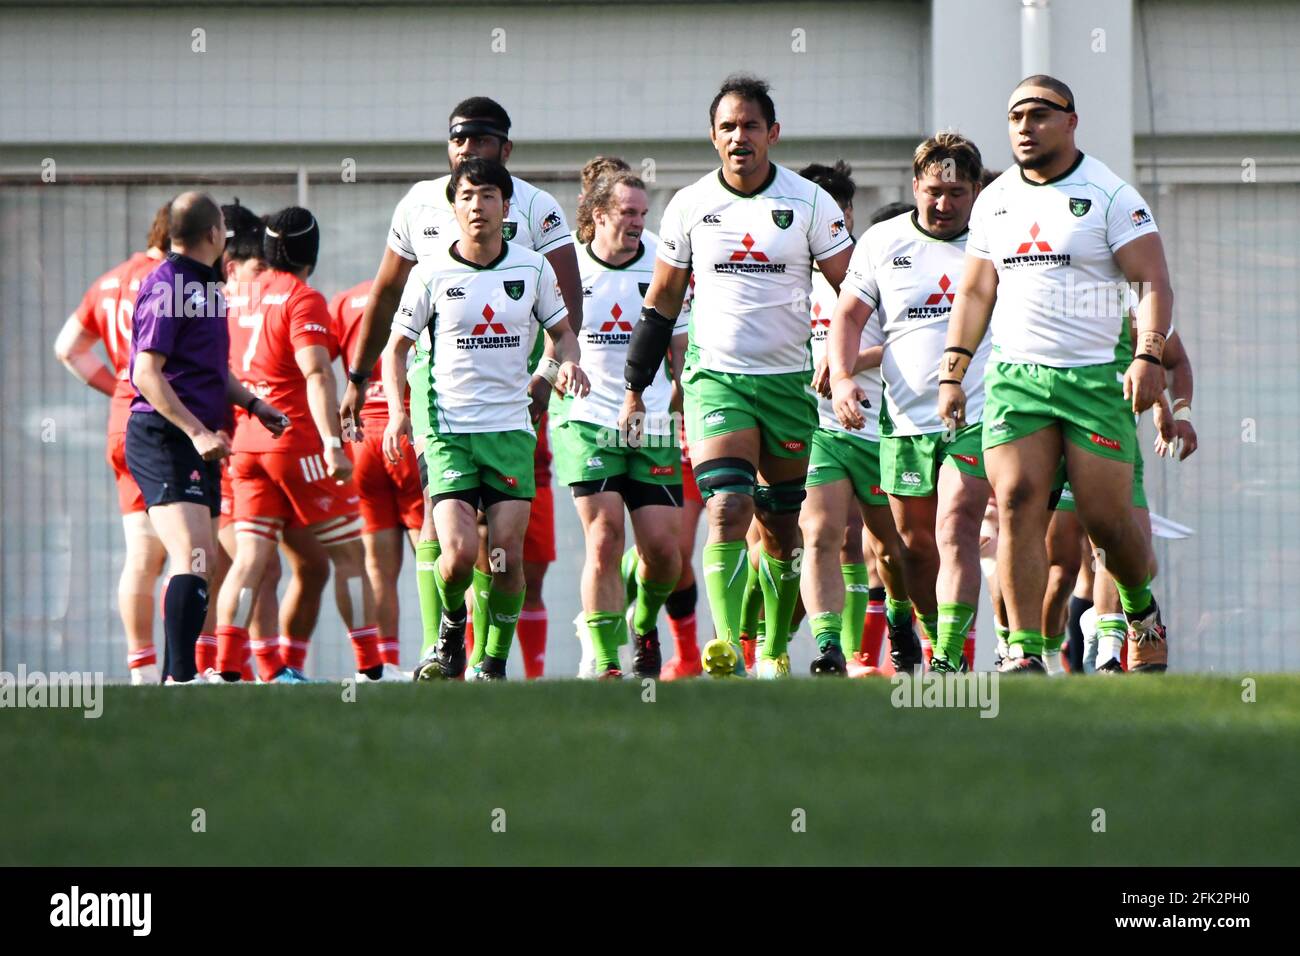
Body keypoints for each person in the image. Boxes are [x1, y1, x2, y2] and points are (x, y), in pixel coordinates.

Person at [337, 96, 582, 680]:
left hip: (513, 392)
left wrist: (551, 376)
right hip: (437, 389)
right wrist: (358, 377)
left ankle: (489, 659)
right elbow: (387, 296)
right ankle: (439, 645)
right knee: (450, 540)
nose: (467, 151)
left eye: (480, 140)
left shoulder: (537, 211)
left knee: (504, 550)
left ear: (506, 149)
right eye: (458, 140)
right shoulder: (421, 203)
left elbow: (567, 311)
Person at [619, 74, 855, 679]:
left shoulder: (809, 203)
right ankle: (727, 645)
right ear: (713, 136)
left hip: (788, 385)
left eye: (751, 125)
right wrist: (634, 388)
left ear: (772, 133)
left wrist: (840, 355)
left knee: (780, 528)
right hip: (715, 380)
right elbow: (662, 301)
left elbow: (852, 292)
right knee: (728, 507)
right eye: (728, 126)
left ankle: (773, 649)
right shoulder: (691, 205)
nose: (740, 136)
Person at [939, 75, 1174, 673]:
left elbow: (1152, 283)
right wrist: (953, 370)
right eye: (1016, 115)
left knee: (1104, 522)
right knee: (1017, 502)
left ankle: (1140, 610)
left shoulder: (1110, 195)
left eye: (1040, 114)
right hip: (1018, 379)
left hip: (1097, 380)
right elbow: (974, 289)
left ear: (1071, 122)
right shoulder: (994, 201)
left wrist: (1147, 354)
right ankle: (1026, 651)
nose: (1025, 126)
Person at [832, 132, 991, 674]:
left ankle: (950, 656)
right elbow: (849, 317)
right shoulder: (881, 242)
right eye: (932, 191)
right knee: (913, 547)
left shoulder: (997, 240)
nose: (943, 204)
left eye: (957, 193)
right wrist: (843, 376)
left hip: (978, 412)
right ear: (915, 186)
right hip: (903, 420)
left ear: (976, 191)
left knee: (956, 525)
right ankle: (937, 643)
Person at [217, 206, 396, 682]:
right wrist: (333, 445)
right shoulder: (303, 298)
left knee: (252, 558)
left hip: (246, 443)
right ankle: (371, 669)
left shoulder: (240, 297)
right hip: (295, 441)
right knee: (348, 555)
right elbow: (317, 374)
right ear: (310, 253)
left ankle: (225, 668)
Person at [125, 192, 288, 683]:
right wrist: (196, 431)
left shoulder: (208, 286)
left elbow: (212, 371)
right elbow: (146, 373)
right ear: (215, 235)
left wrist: (254, 405)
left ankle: (187, 676)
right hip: (165, 436)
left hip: (197, 439)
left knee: (207, 559)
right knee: (194, 555)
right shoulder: (169, 285)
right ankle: (178, 679)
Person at [555, 170, 686, 678]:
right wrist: (559, 366)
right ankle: (607, 659)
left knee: (663, 552)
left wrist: (680, 393)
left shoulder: (662, 260)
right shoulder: (565, 263)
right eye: (628, 213)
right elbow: (550, 334)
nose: (637, 222)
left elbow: (680, 340)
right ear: (600, 215)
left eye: (642, 214)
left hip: (650, 418)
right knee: (606, 536)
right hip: (587, 416)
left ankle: (644, 621)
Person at [801, 160, 916, 676]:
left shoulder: (875, 264)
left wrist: (846, 361)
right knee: (821, 533)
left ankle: (897, 616)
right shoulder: (787, 274)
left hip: (879, 424)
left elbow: (910, 336)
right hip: (820, 427)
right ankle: (829, 647)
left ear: (847, 214)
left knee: (890, 547)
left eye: (837, 208)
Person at [53, 202, 169, 683]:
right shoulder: (170, 280)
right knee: (190, 553)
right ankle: (191, 666)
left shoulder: (107, 281)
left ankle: (141, 671)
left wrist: (117, 386)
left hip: (123, 420)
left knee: (142, 554)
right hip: (162, 420)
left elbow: (68, 348)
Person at [334, 277, 424, 670]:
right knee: (437, 556)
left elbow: (327, 365)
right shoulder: (428, 287)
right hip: (408, 430)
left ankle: (383, 667)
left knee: (377, 569)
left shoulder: (342, 300)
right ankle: (455, 658)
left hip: (361, 441)